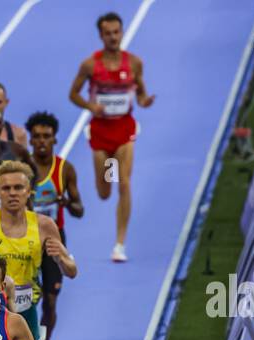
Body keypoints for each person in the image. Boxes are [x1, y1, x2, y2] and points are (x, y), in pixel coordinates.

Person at [69, 11, 155, 263]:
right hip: (100, 133)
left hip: (124, 130)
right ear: (101, 36)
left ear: (122, 33)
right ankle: (109, 176)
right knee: (105, 191)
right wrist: (90, 106)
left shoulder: (135, 63)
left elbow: (140, 93)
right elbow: (72, 94)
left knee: (124, 183)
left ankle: (120, 244)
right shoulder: (90, 66)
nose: (113, 37)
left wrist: (144, 101)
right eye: (108, 33)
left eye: (116, 32)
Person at [0, 160, 77, 340]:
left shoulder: (44, 225)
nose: (12, 193)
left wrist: (60, 257)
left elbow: (71, 271)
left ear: (28, 191)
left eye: (18, 187)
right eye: (6, 188)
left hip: (27, 312)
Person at [26, 111, 84, 340]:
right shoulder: (22, 169)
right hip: (25, 238)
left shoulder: (65, 169)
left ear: (54, 139)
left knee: (50, 301)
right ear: (30, 140)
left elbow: (80, 210)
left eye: (46, 136)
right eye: (37, 136)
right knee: (23, 299)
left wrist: (67, 202)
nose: (41, 141)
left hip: (53, 240)